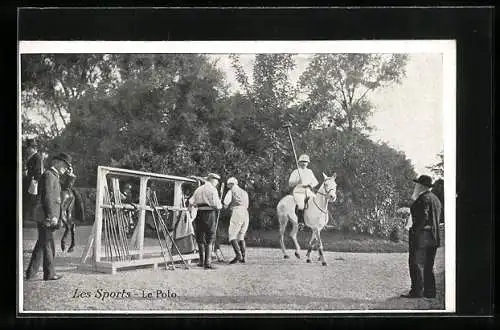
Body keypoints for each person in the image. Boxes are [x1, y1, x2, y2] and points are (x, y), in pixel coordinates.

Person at [25, 152, 73, 281]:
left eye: (66, 166)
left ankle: (30, 273)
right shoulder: (49, 175)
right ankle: (49, 273)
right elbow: (48, 197)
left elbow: (64, 189)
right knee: (48, 244)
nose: (65, 168)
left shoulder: (53, 176)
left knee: (42, 244)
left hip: (46, 215)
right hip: (46, 215)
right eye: (64, 165)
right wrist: (52, 215)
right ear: (56, 162)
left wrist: (71, 177)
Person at [401, 174, 442, 298]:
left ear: (422, 186)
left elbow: (423, 217)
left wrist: (414, 230)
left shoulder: (422, 199)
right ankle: (430, 292)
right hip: (433, 237)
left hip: (422, 237)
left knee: (416, 263)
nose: (416, 186)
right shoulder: (435, 199)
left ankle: (417, 291)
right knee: (429, 265)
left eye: (417, 184)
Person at [188, 173, 223, 270]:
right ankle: (207, 262)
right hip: (209, 214)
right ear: (212, 180)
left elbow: (191, 202)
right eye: (216, 181)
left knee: (200, 236)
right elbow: (217, 205)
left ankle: (201, 261)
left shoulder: (199, 189)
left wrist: (191, 211)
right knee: (210, 236)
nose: (216, 183)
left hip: (199, 214)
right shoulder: (212, 189)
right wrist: (219, 206)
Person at [223, 177, 250, 264]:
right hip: (245, 212)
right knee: (241, 236)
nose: (227, 186)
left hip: (237, 212)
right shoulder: (244, 192)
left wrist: (224, 205)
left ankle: (238, 255)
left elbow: (225, 205)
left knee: (232, 235)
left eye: (228, 184)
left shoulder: (231, 191)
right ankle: (243, 257)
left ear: (231, 184)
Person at [288, 154, 318, 224]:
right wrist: (297, 181)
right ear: (299, 162)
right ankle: (300, 222)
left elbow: (315, 181)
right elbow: (290, 183)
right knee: (301, 204)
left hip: (308, 191)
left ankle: (316, 219)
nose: (304, 163)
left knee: (316, 200)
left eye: (306, 162)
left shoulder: (309, 171)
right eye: (302, 161)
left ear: (308, 163)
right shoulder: (295, 172)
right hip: (299, 191)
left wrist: (310, 185)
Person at [22, 139, 44, 223]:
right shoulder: (32, 157)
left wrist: (28, 175)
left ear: (33, 148)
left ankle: (26, 219)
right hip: (29, 181)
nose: (27, 150)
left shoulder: (37, 157)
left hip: (32, 183)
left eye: (28, 148)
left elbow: (38, 171)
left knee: (28, 201)